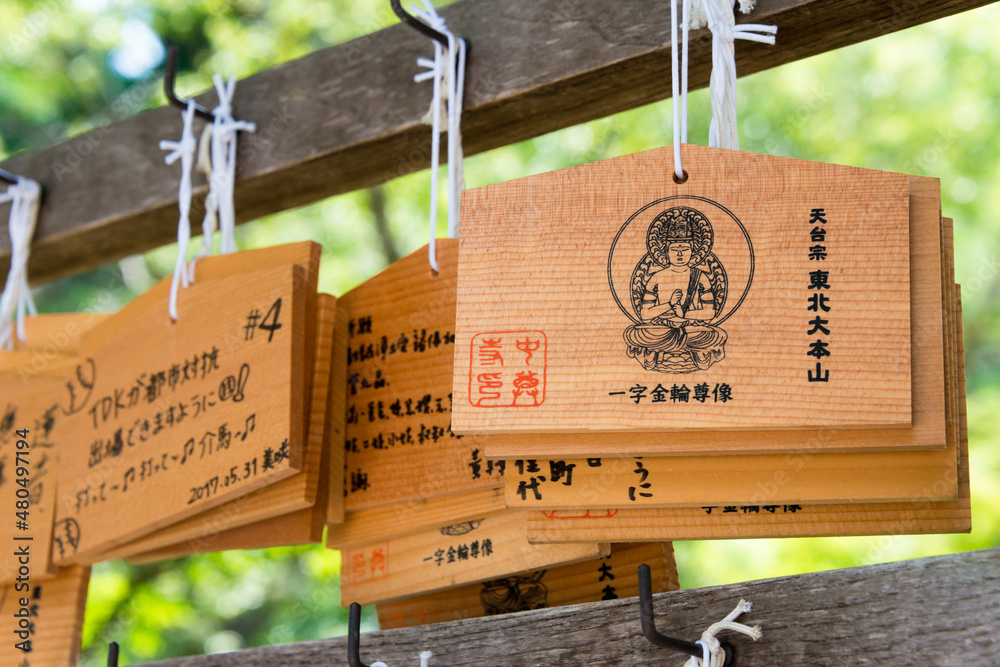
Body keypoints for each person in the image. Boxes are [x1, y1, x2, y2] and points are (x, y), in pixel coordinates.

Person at [623, 212, 727, 372]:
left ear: (693, 251)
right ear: (666, 251)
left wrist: (683, 315)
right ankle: (686, 349)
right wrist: (668, 305)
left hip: (691, 327)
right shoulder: (656, 277)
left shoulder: (701, 276)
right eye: (674, 249)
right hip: (662, 328)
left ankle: (656, 350)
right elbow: (644, 314)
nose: (679, 254)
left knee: (716, 334)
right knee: (634, 333)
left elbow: (709, 313)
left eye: (684, 249)